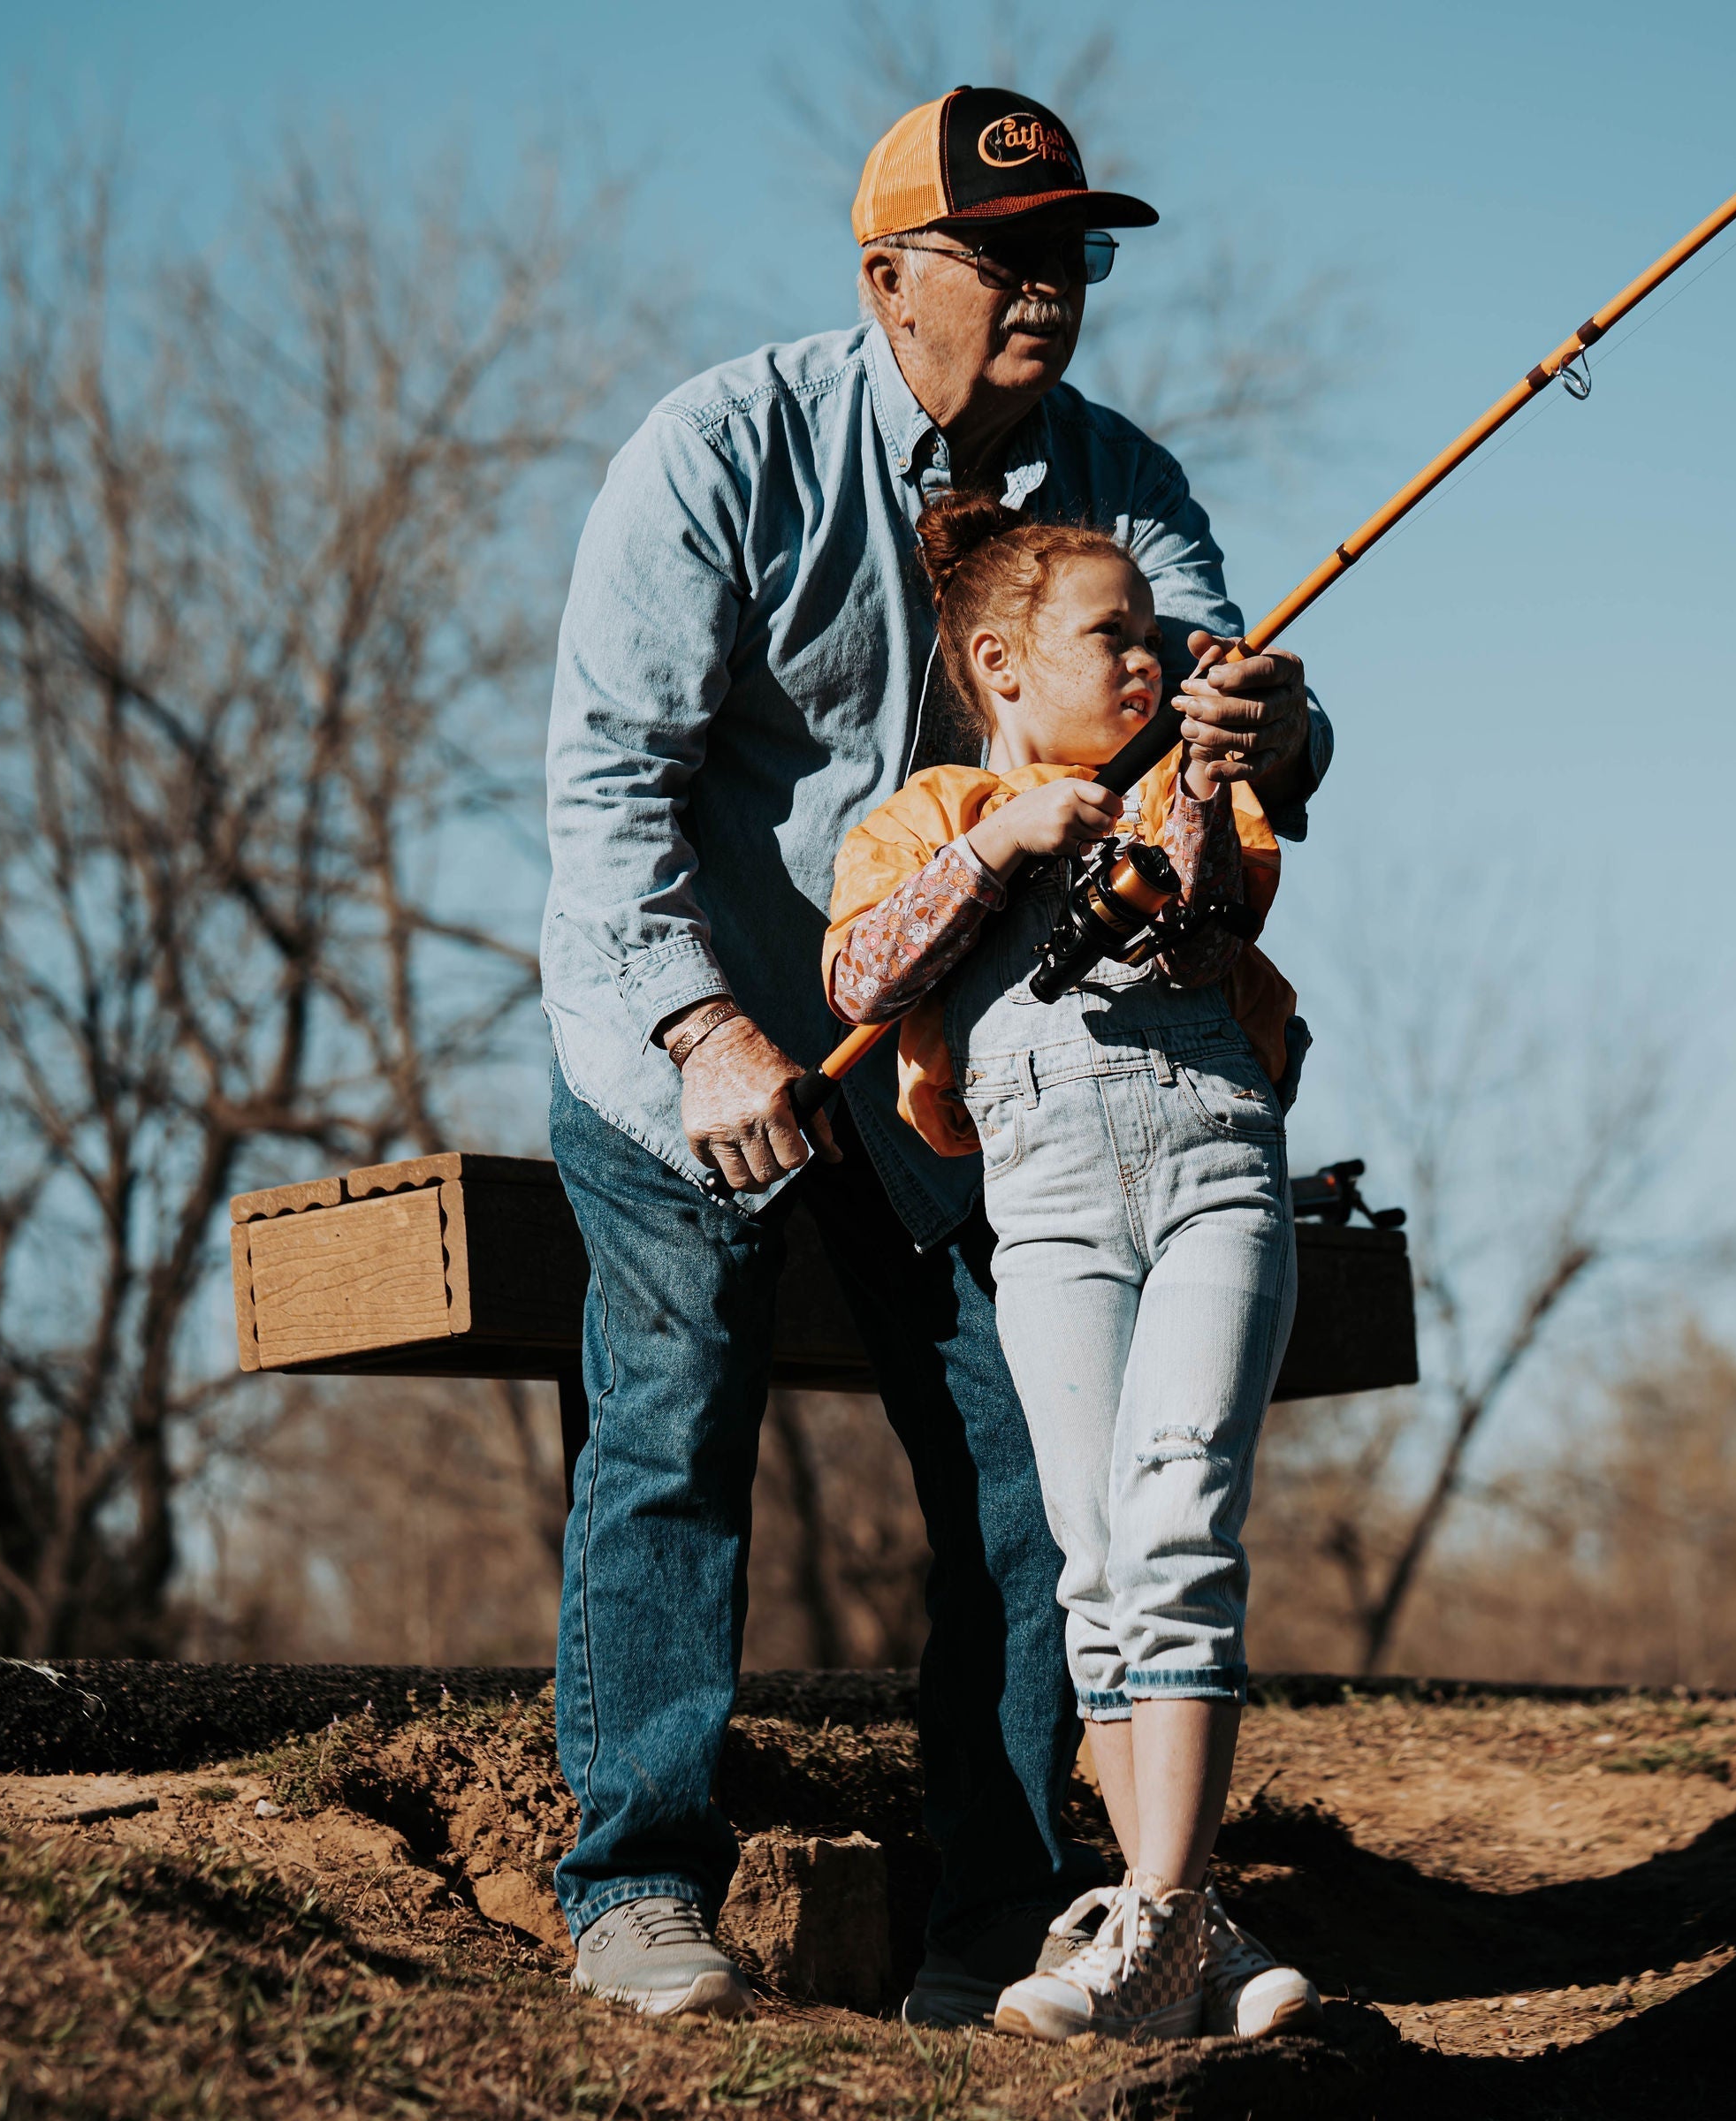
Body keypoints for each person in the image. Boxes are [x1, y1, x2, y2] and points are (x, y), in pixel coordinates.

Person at [538, 84, 1329, 2026]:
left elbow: (1215, 734)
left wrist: (1266, 732)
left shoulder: (1119, 482)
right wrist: (703, 1031)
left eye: (1077, 250)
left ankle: (1006, 1914)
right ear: (894, 278)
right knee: (675, 1418)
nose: (1053, 287)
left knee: (1015, 1457)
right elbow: (607, 784)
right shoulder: (719, 452)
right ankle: (639, 1882)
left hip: (969, 1064)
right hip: (698, 1020)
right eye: (1009, 254)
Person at [822, 491, 1318, 2041]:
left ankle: (1151, 1924)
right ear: (999, 661)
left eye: (1159, 642)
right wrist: (1001, 842)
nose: (1150, 662)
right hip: (1041, 1222)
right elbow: (859, 970)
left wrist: (1216, 775)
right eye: (1114, 635)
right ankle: (1190, 1929)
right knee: (1096, 1570)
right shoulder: (919, 816)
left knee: (1177, 1520)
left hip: (1212, 1179)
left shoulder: (1188, 789)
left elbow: (1202, 929)